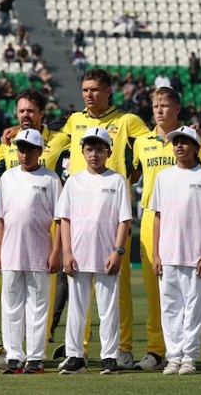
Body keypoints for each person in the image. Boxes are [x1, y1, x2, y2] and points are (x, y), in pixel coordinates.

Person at [64, 70, 150, 368]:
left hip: (111, 217)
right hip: (80, 214)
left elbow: (152, 144)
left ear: (108, 91)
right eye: (85, 90)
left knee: (116, 294)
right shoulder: (74, 120)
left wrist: (134, 172)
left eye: (95, 90)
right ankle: (78, 352)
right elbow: (51, 141)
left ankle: (119, 350)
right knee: (79, 299)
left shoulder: (127, 120)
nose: (89, 95)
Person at [55, 128, 132, 375]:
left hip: (107, 255)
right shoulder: (74, 181)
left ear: (109, 152)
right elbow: (64, 219)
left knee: (108, 309)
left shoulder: (117, 181)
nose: (94, 154)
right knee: (76, 309)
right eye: (89, 149)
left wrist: (118, 251)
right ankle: (75, 355)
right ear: (82, 152)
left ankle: (109, 356)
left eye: (100, 149)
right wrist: (67, 252)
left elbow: (124, 220)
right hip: (78, 255)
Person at [0, 129, 62, 375]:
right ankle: (14, 356)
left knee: (37, 307)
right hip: (11, 251)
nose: (25, 154)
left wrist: (56, 252)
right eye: (21, 149)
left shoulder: (51, 179)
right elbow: (0, 218)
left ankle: (35, 358)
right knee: (11, 306)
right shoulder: (7, 177)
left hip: (39, 252)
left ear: (40, 151)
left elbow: (60, 220)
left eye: (30, 149)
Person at [151, 126, 201, 375]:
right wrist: (156, 254)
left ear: (196, 148)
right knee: (170, 309)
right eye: (176, 142)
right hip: (168, 254)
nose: (179, 146)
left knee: (194, 309)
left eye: (185, 142)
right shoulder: (163, 177)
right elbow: (158, 217)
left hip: (195, 255)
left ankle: (189, 357)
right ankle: (174, 357)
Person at [128, 88, 182, 371]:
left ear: (177, 109)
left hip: (183, 219)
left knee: (183, 290)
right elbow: (132, 174)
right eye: (156, 106)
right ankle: (156, 350)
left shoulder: (189, 139)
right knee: (153, 290)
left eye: (165, 105)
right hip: (151, 217)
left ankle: (183, 349)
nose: (160, 111)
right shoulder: (141, 142)